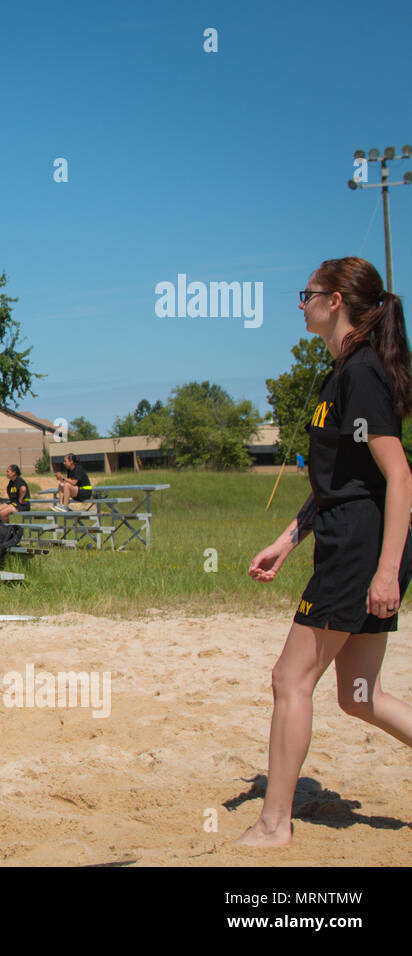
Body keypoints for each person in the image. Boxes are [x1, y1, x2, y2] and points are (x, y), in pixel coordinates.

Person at [237, 257, 412, 848]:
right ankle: (275, 820)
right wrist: (287, 540)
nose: (301, 302)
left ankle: (274, 823)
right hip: (351, 537)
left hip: (363, 547)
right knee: (360, 696)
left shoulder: (362, 374)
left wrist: (385, 571)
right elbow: (340, 480)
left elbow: (398, 477)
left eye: (306, 293)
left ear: (335, 300)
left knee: (291, 678)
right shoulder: (338, 374)